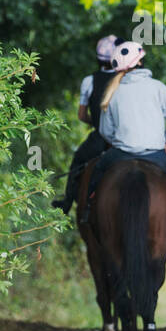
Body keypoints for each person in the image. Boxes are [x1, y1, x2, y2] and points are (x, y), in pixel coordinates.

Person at [83, 41, 166, 232]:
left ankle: (89, 210)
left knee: (97, 172)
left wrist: (120, 140)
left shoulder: (113, 92)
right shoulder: (158, 87)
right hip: (155, 154)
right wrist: (164, 140)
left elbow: (106, 130)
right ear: (140, 62)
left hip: (121, 153)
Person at [52, 35, 121, 214]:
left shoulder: (89, 81)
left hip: (100, 137)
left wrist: (98, 122)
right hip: (124, 138)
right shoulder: (124, 80)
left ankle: (66, 202)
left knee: (78, 159)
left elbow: (82, 115)